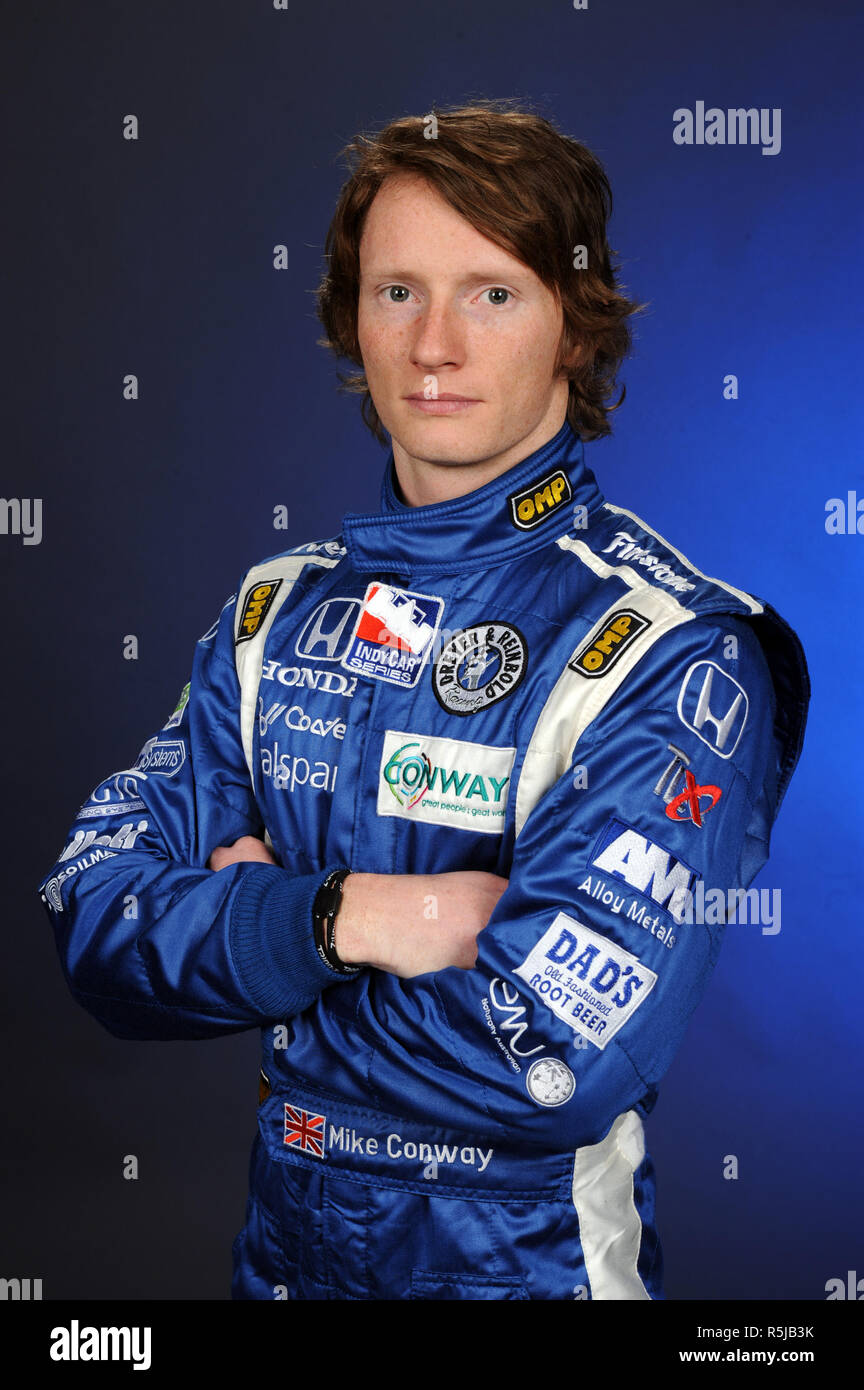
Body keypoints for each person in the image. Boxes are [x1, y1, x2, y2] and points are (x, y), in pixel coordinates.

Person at [39, 100, 809, 1301]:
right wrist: (347, 920)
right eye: (398, 291)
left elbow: (547, 1060)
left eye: (491, 293)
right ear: (352, 315)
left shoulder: (673, 652)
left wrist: (249, 938)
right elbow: (91, 919)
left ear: (574, 325)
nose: (435, 345)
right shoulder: (273, 617)